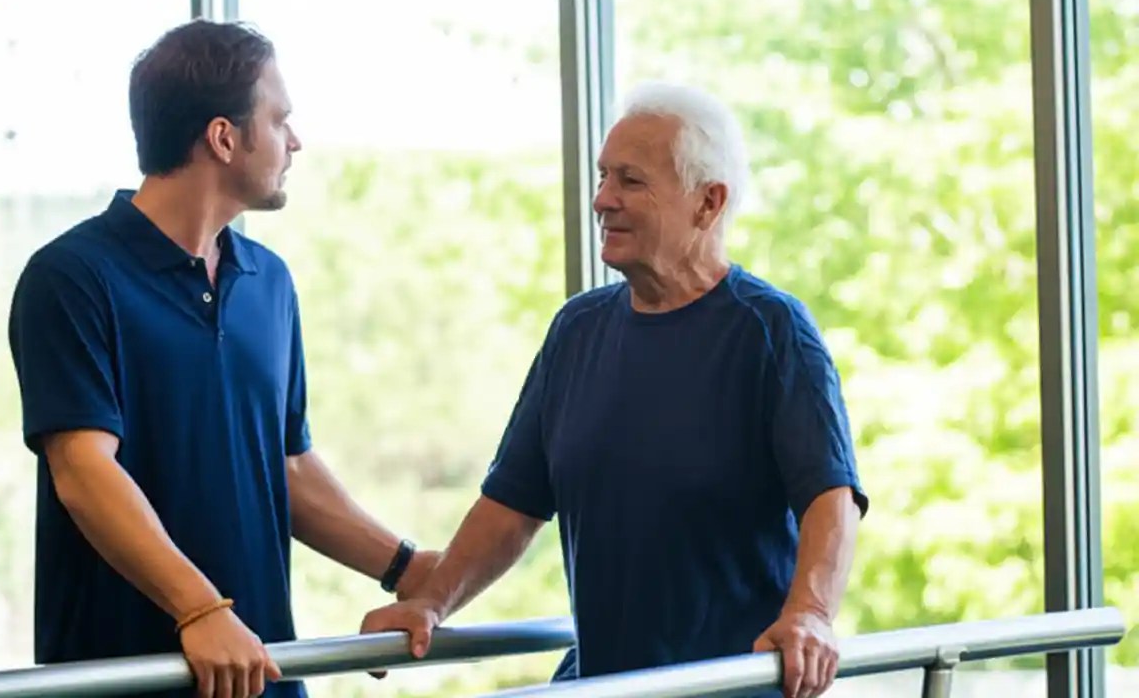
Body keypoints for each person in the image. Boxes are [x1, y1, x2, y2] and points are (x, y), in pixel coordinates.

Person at [360, 82, 869, 698]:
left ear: (708, 203)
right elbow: (512, 504)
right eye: (603, 177)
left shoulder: (772, 331)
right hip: (606, 685)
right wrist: (432, 602)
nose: (602, 199)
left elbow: (830, 495)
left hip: (734, 685)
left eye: (630, 181)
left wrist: (811, 613)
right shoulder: (577, 330)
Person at [8, 19, 437, 698]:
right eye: (280, 119)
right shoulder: (71, 276)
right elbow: (84, 470)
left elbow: (287, 466)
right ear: (224, 136)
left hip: (262, 673)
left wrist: (413, 571)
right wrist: (200, 610)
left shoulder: (270, 282)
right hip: (125, 678)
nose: (295, 140)